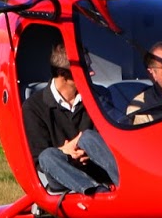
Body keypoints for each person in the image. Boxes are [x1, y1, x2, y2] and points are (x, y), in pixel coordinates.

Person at [22, 43, 117, 195]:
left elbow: (112, 137)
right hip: (62, 174)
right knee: (47, 156)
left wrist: (84, 147)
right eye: (86, 68)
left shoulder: (100, 95)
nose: (92, 73)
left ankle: (129, 185)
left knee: (88, 138)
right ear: (63, 74)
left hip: (99, 168)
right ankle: (97, 193)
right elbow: (37, 159)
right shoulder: (33, 107)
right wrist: (66, 152)